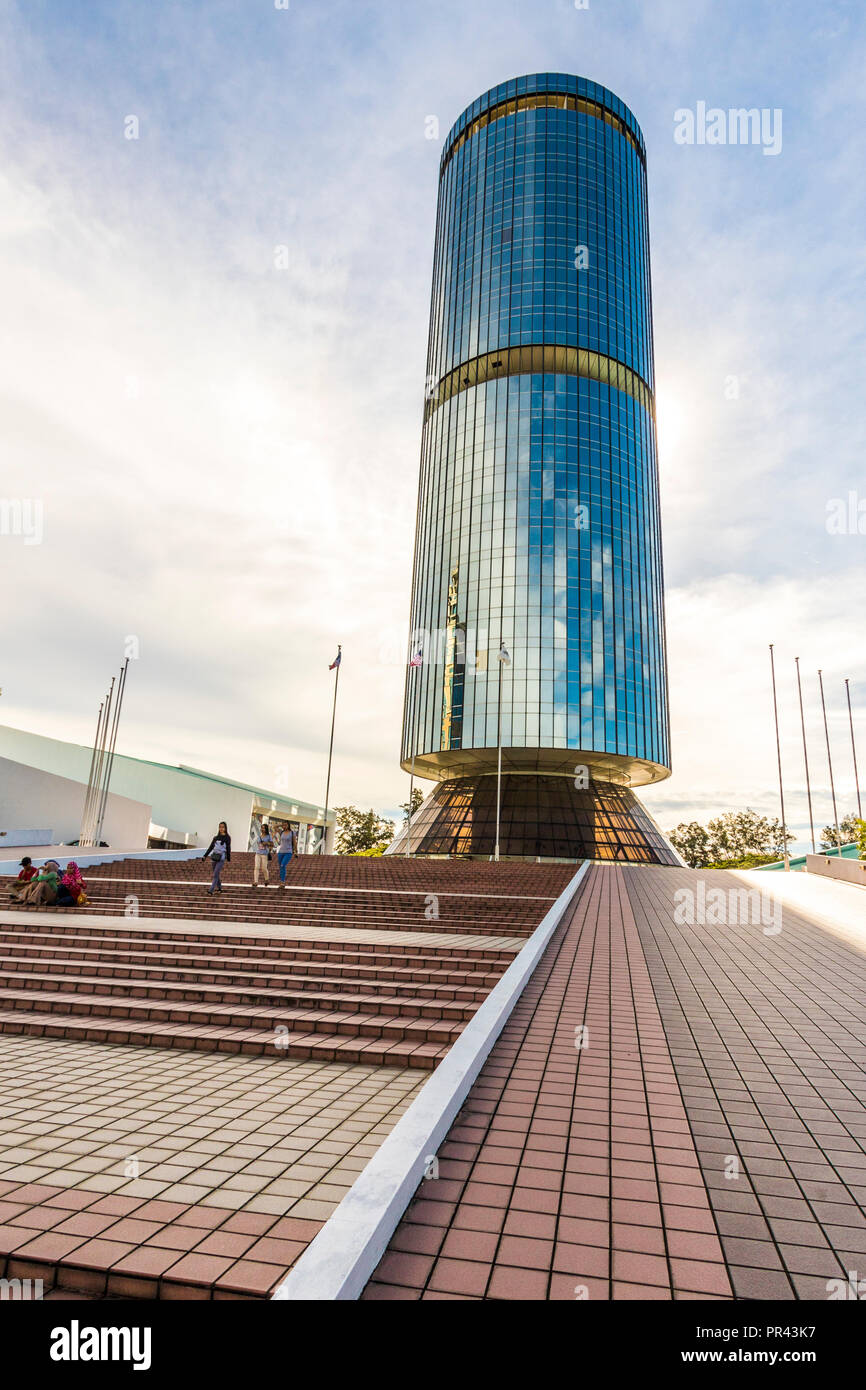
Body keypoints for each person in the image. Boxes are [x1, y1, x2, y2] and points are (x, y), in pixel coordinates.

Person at [202, 822, 231, 895]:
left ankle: (211, 890)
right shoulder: (215, 838)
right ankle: (220, 888)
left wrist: (228, 857)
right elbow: (211, 847)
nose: (221, 828)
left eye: (223, 827)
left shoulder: (227, 837)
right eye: (220, 827)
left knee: (215, 874)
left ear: (225, 828)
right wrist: (205, 856)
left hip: (221, 857)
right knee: (216, 874)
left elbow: (228, 847)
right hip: (214, 857)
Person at [252, 822, 273, 887]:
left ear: (266, 829)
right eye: (261, 828)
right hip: (258, 853)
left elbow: (272, 844)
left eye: (263, 828)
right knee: (256, 867)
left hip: (265, 854)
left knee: (264, 868)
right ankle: (255, 881)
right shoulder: (259, 836)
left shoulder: (269, 836)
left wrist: (266, 843)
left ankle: (266, 879)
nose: (262, 829)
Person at [276, 824, 297, 888]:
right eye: (283, 825)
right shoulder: (281, 832)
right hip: (281, 852)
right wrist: (280, 824)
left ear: (288, 825)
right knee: (280, 867)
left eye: (286, 825)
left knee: (283, 865)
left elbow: (294, 842)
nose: (284, 826)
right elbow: (274, 827)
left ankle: (282, 881)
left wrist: (296, 851)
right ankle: (282, 882)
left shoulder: (292, 833)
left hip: (288, 852)